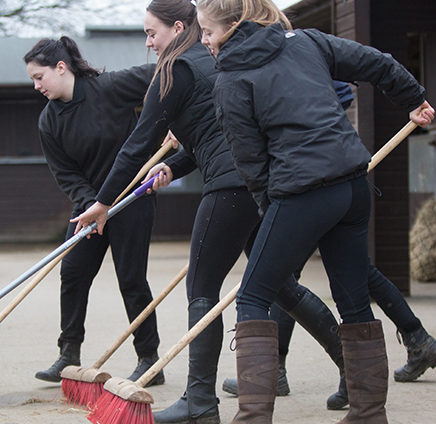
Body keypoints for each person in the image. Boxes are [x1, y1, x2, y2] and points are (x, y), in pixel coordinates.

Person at [70, 1, 350, 422]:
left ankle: (199, 402)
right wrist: (177, 162)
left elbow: (138, 142)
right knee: (278, 286)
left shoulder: (176, 70)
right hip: (261, 184)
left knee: (202, 288)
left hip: (230, 187)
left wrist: (103, 202)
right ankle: (353, 367)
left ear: (177, 27)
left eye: (151, 32)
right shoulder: (214, 58)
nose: (148, 43)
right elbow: (215, 133)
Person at [195, 0, 435, 422]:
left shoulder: (231, 80)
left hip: (301, 193)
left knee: (252, 297)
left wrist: (273, 214)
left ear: (233, 26)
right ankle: (368, 414)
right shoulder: (305, 41)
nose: (204, 41)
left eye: (208, 33)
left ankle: (252, 418)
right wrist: (414, 99)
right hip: (353, 185)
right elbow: (377, 62)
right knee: (354, 300)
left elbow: (250, 161)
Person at [220, 86, 436, 398]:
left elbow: (341, 90)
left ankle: (277, 370)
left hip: (319, 178)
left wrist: (319, 123)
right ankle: (417, 338)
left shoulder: (297, 56)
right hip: (314, 176)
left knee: (285, 276)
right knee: (352, 270)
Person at [23, 37, 165, 387]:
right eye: (33, 80)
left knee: (131, 279)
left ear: (61, 67)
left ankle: (150, 359)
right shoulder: (49, 121)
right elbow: (65, 173)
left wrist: (174, 117)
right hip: (90, 206)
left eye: (40, 77)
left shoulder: (110, 87)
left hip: (132, 198)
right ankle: (68, 354)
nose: (36, 86)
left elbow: (164, 74)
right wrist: (91, 205)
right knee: (72, 272)